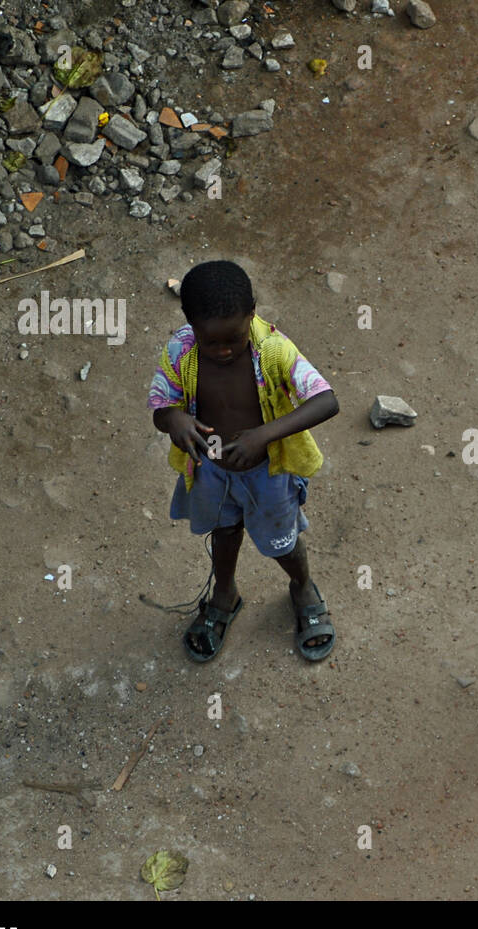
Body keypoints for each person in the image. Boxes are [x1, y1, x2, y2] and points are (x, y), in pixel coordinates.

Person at [148, 260, 340, 663]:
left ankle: (302, 586)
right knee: (224, 533)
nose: (222, 350)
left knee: (282, 542)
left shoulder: (272, 349)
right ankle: (225, 594)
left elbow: (326, 400)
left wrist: (263, 436)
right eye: (210, 341)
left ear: (252, 313)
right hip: (211, 469)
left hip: (265, 473)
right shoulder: (181, 351)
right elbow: (161, 407)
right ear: (190, 323)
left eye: (232, 340)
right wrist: (175, 419)